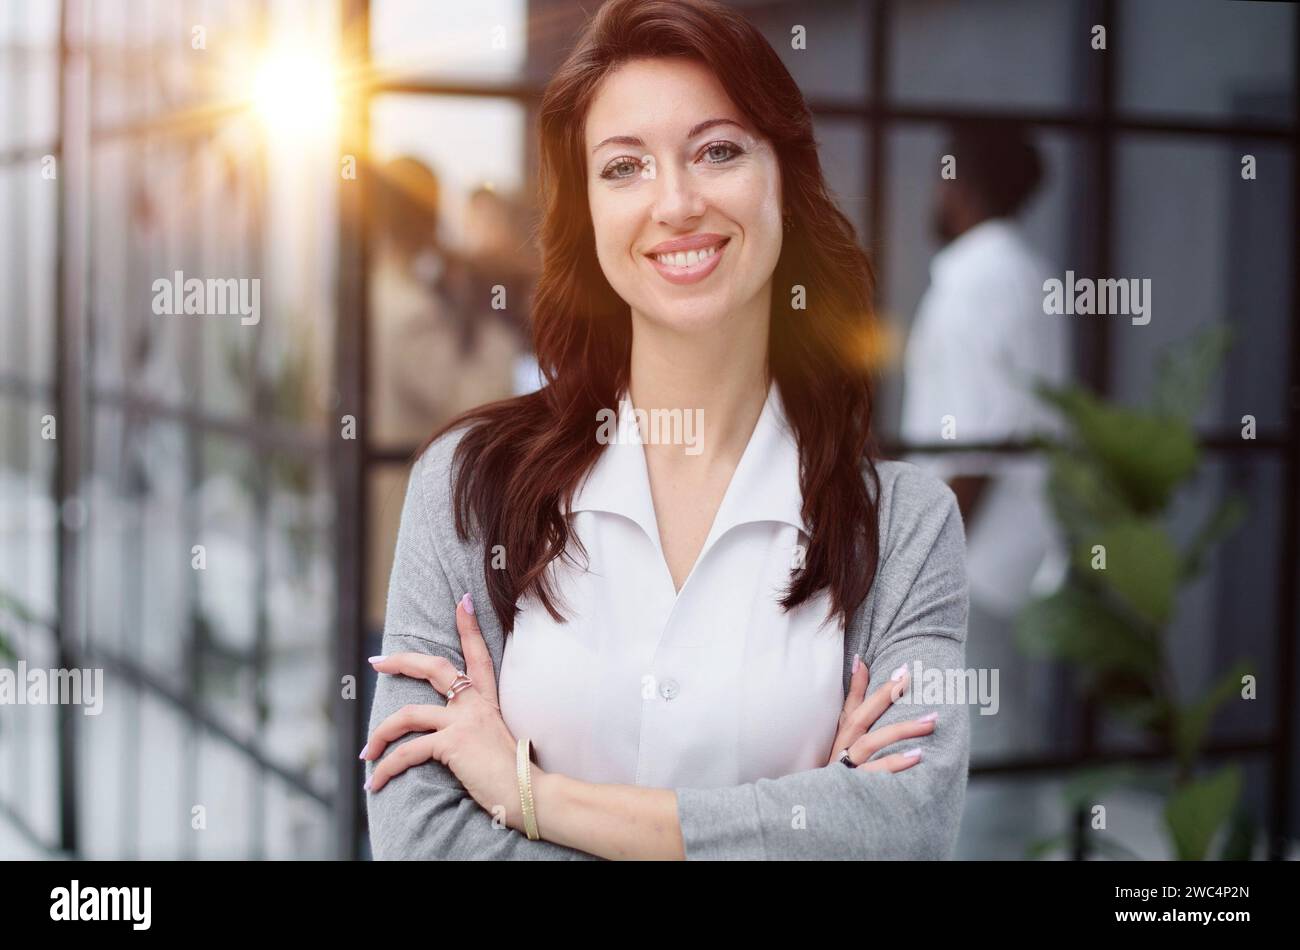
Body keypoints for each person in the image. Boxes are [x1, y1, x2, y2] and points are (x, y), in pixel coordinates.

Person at [362, 0, 969, 860]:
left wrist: (527, 797)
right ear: (589, 215)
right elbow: (421, 841)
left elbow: (905, 834)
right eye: (624, 168)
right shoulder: (472, 485)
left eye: (718, 150)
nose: (676, 202)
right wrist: (804, 818)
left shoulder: (906, 527)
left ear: (784, 183)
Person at [899, 120, 1070, 856]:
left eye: (941, 174)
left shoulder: (973, 284)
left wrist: (923, 570)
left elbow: (974, 446)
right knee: (1005, 749)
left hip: (976, 567)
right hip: (1021, 561)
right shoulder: (1027, 274)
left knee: (974, 764)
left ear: (962, 183)